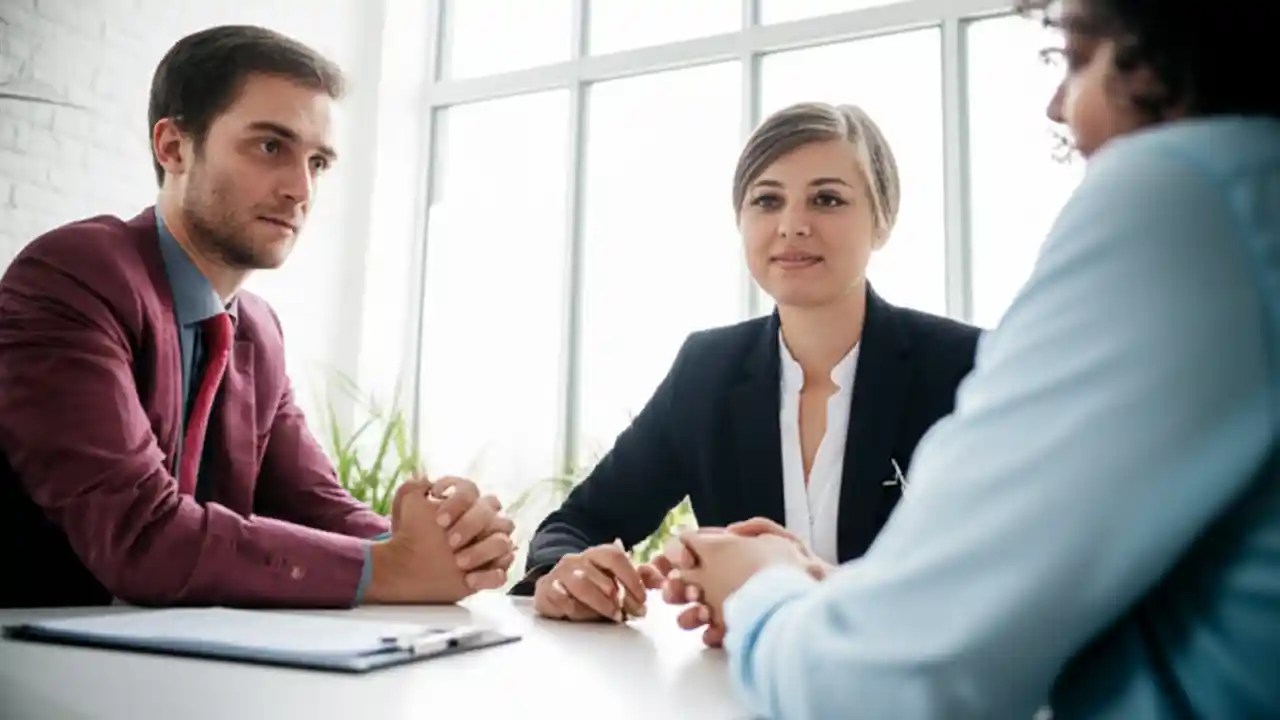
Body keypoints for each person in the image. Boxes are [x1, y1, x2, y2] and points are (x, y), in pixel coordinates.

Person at [659, 0, 1280, 717]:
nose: (1057, 106)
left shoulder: (1185, 200)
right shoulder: (706, 366)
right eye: (766, 201)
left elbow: (885, 684)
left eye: (1075, 59)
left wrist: (759, 589)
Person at [0, 25, 515, 608]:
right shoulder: (76, 276)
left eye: (317, 162)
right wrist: (396, 568)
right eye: (271, 146)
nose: (301, 189)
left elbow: (315, 504)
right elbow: (140, 535)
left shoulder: (259, 332)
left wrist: (438, 546)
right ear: (173, 148)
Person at [516, 102, 981, 640]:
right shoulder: (707, 372)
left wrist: (806, 586)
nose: (792, 226)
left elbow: (1010, 572)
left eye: (826, 199)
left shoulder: (965, 369)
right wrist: (566, 574)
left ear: (882, 219)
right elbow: (577, 523)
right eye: (767, 201)